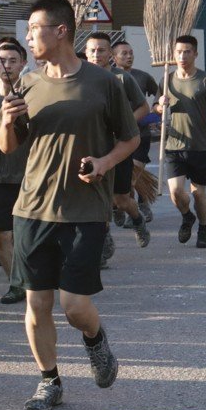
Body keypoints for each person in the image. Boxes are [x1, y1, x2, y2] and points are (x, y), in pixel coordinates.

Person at [0, 0, 138, 410]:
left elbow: (129, 138)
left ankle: (96, 340)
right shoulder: (27, 83)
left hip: (85, 210)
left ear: (60, 31)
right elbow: (8, 148)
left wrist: (104, 163)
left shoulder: (103, 83)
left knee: (74, 307)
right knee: (37, 304)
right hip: (32, 208)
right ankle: (49, 381)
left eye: (33, 29)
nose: (28, 38)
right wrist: (6, 120)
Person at [84, 33, 151, 256]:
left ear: (110, 54)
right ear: (85, 53)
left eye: (101, 50)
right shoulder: (78, 79)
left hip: (119, 148)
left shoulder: (122, 79)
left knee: (121, 200)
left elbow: (144, 107)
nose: (96, 54)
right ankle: (104, 242)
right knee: (96, 198)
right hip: (91, 149)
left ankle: (137, 219)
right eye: (92, 50)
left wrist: (125, 122)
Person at [161, 35, 206, 249]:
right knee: (175, 192)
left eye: (187, 51)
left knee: (198, 193)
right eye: (179, 52)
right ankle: (186, 216)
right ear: (174, 54)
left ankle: (203, 227)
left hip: (201, 145)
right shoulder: (167, 80)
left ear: (195, 54)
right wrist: (159, 105)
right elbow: (157, 107)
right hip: (174, 144)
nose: (182, 56)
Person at [0, 42, 29, 304]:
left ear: (23, 64)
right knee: (3, 234)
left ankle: (34, 277)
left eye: (13, 61)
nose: (7, 66)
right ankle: (15, 284)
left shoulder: (33, 94)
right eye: (2, 61)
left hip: (31, 176)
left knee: (27, 235)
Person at [111, 41, 159, 223]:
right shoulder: (109, 77)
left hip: (140, 135)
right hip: (117, 138)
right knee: (125, 180)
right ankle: (125, 205)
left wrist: (159, 105)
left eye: (131, 53)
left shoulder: (143, 77)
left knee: (131, 177)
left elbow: (159, 94)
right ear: (114, 57)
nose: (129, 56)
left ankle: (138, 206)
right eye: (124, 54)